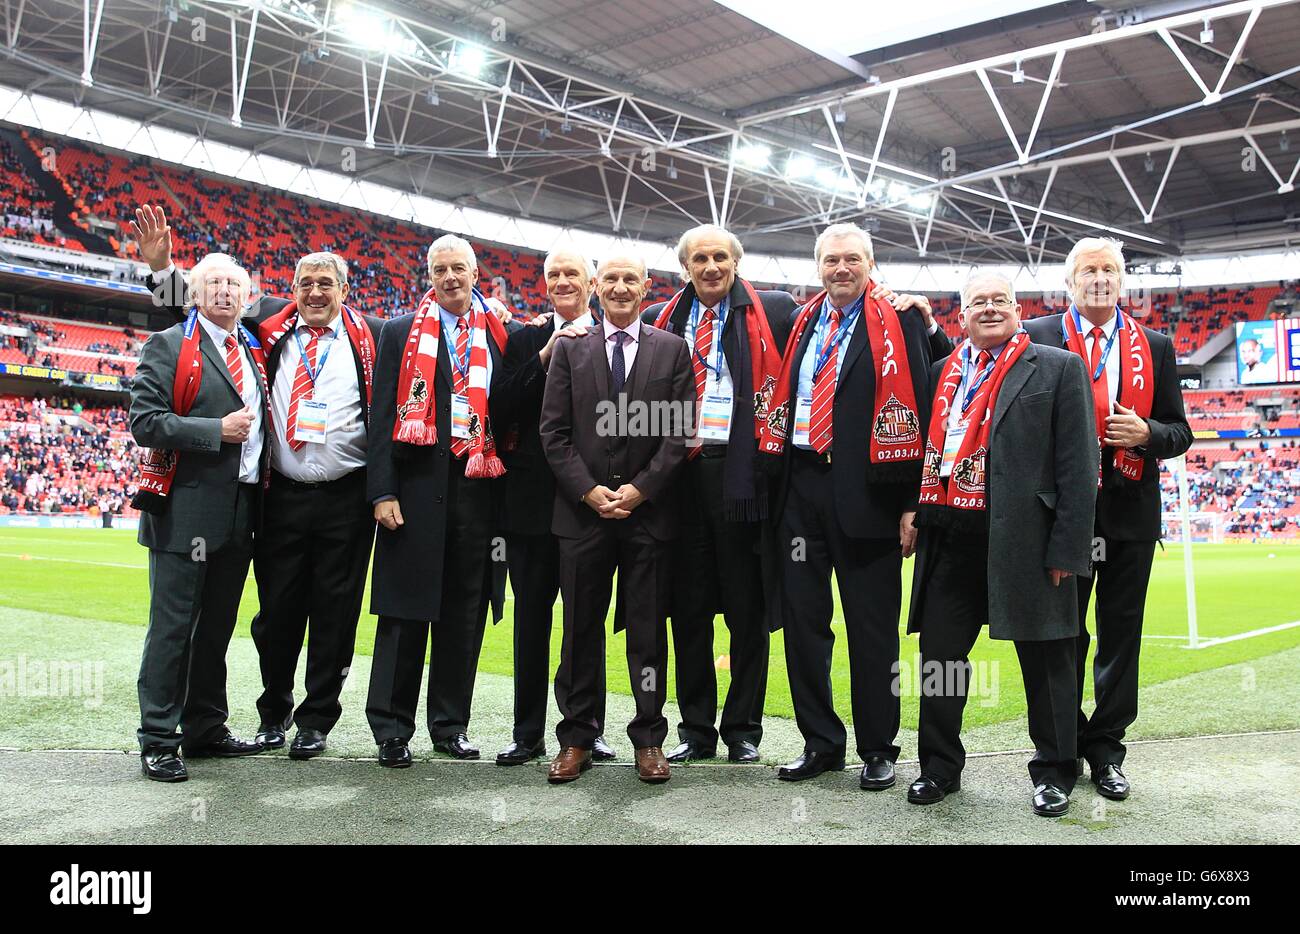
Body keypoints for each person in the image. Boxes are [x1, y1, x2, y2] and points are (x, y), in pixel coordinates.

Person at [133, 206, 385, 761]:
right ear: (286, 291)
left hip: (284, 505)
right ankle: (168, 735)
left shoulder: (266, 340)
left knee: (227, 625)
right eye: (304, 284)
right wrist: (161, 269)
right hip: (230, 503)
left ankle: (219, 726)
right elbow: (150, 413)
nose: (314, 292)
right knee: (203, 623)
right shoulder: (221, 335)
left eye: (326, 284)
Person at [906, 270, 1098, 817]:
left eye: (1000, 301)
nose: (989, 309)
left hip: (1029, 541)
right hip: (951, 538)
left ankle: (1056, 770)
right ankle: (939, 769)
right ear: (961, 317)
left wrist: (1069, 549)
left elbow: (1080, 467)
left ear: (1018, 311)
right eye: (977, 303)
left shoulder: (1059, 367)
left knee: (1046, 661)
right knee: (940, 660)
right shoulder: (943, 371)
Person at [760, 223, 944, 789]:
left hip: (870, 496)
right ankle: (821, 742)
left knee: (872, 630)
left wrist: (912, 504)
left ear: (871, 263)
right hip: (799, 493)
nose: (841, 269)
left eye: (852, 260)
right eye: (832, 260)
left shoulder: (901, 320)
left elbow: (929, 398)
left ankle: (878, 747)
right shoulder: (801, 320)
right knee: (803, 626)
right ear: (818, 266)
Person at [1023, 237, 1192, 800]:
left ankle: (1107, 751)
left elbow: (1179, 431)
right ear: (1070, 280)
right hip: (1061, 516)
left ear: (1122, 281)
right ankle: (1056, 760)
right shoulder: (1038, 336)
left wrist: (1148, 434)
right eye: (1089, 269)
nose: (1100, 277)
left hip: (1129, 516)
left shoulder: (1156, 345)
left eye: (1110, 269)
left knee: (1122, 639)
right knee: (1060, 637)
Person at [641, 224, 796, 763]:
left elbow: (832, 324)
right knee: (687, 610)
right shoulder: (661, 319)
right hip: (679, 479)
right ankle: (697, 729)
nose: (711, 267)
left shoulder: (774, 309)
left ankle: (743, 729)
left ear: (736, 262)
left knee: (746, 610)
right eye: (700, 259)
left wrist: (902, 303)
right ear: (685, 267)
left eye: (721, 258)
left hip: (743, 477)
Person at [538, 253, 693, 784]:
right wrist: (588, 491)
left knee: (648, 633)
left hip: (648, 518)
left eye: (632, 279)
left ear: (647, 288)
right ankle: (577, 736)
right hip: (582, 518)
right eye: (612, 279)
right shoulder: (569, 351)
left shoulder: (673, 349)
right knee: (580, 630)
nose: (621, 288)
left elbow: (678, 434)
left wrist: (640, 489)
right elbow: (552, 434)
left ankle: (649, 738)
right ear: (596, 287)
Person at [365, 235, 512, 768]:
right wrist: (381, 491)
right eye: (440, 269)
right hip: (412, 496)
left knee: (463, 618)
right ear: (428, 274)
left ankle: (449, 727)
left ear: (477, 273)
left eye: (459, 268)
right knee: (404, 616)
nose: (450, 277)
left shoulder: (500, 334)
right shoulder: (400, 332)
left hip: (477, 494)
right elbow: (381, 417)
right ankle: (391, 729)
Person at [129, 252, 269, 781]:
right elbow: (145, 422)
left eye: (234, 284)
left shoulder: (252, 348)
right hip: (184, 514)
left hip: (240, 512)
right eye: (213, 283)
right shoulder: (167, 345)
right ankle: (159, 738)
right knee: (173, 630)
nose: (225, 291)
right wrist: (215, 431)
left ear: (247, 294)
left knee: (215, 630)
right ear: (193, 292)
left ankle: (205, 727)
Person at [489, 247, 617, 765]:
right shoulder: (524, 338)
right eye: (554, 275)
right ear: (544, 284)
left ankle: (586, 729)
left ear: (590, 283)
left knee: (585, 622)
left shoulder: (614, 339)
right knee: (531, 622)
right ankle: (527, 732)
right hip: (530, 505)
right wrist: (545, 354)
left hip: (589, 502)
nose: (563, 281)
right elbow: (499, 410)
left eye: (573, 274)